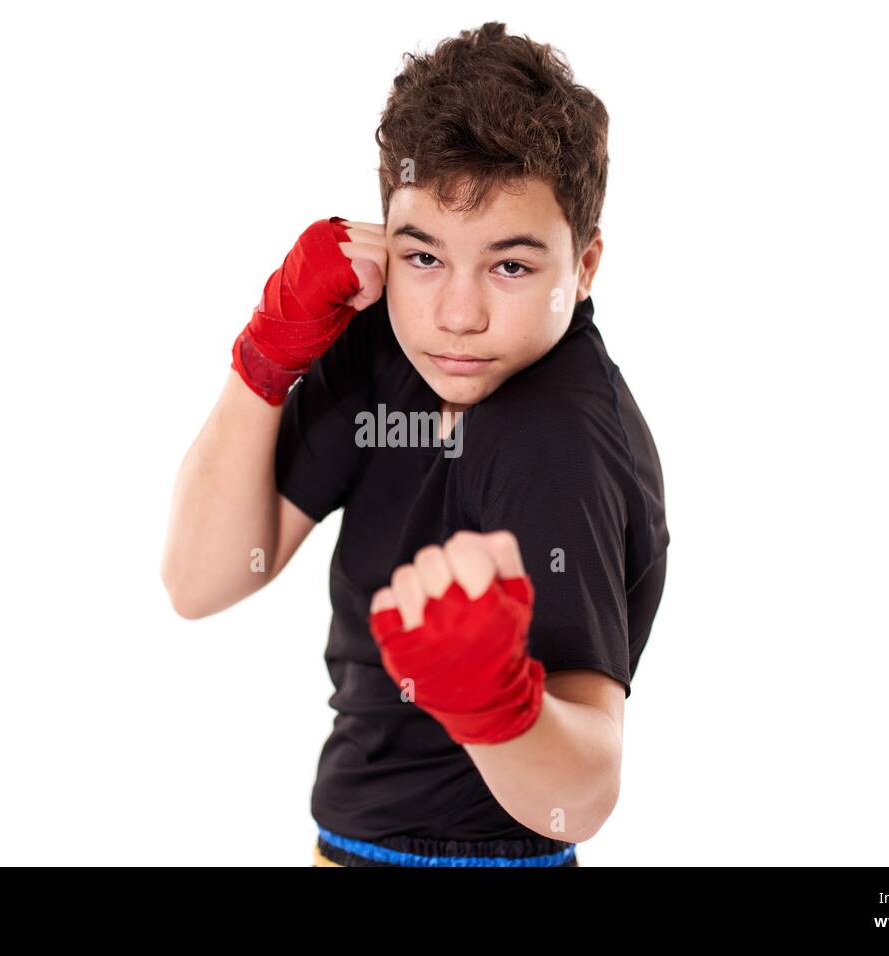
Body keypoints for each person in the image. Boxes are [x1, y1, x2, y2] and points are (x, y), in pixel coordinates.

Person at [161, 21, 669, 867]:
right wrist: (262, 364)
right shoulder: (387, 346)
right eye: (424, 256)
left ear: (584, 266)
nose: (457, 315)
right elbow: (199, 579)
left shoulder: (563, 442)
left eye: (511, 266)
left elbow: (578, 800)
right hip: (341, 847)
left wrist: (494, 703)